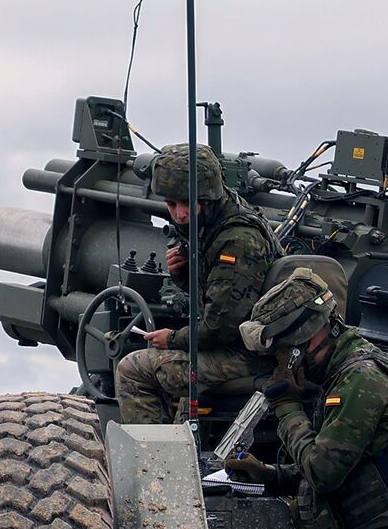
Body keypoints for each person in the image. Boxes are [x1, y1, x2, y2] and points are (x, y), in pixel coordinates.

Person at [224, 268, 388, 529]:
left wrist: (288, 409)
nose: (280, 360)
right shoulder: (340, 375)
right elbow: (340, 466)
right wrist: (270, 475)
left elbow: (323, 471)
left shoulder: (361, 378)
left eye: (282, 349)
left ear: (304, 340)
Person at [113, 143, 279, 425]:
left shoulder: (237, 239)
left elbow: (220, 327)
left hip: (248, 355)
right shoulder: (219, 220)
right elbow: (224, 298)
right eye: (171, 204)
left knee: (133, 368)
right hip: (243, 346)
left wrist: (172, 339)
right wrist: (184, 274)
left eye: (186, 203)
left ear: (208, 197)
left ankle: (153, 461)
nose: (179, 214)